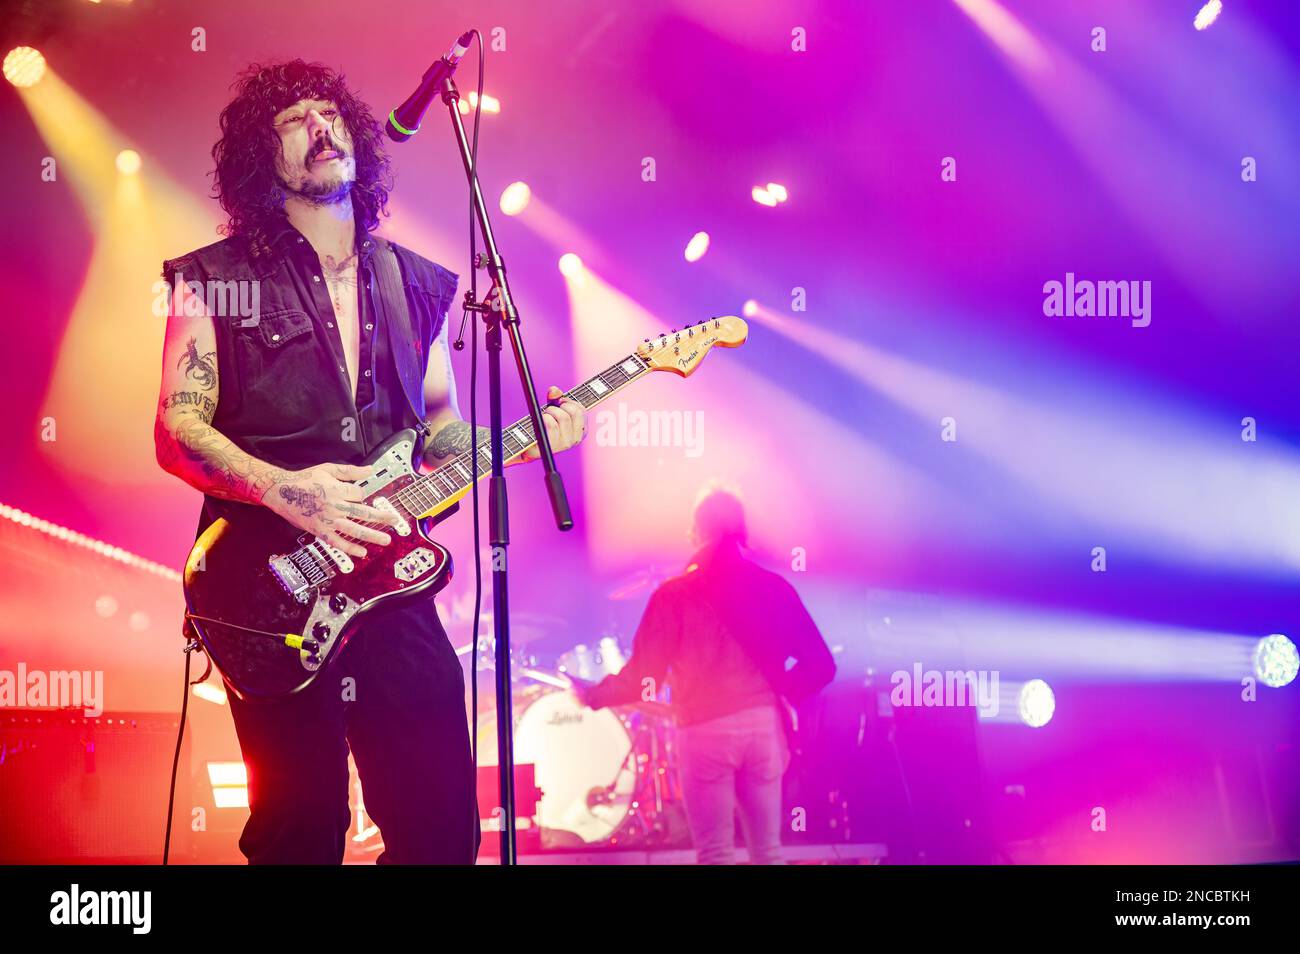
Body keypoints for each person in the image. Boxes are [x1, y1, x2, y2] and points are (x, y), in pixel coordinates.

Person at [154, 60, 586, 864]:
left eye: (330, 113)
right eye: (293, 120)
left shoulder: (412, 282)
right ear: (260, 155)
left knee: (440, 830)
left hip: (392, 590)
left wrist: (527, 438)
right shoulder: (213, 279)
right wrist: (290, 493)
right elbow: (177, 428)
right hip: (269, 591)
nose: (320, 127)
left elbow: (441, 425)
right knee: (299, 831)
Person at [574, 488, 835, 864]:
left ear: (696, 532)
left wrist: (593, 695)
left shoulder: (674, 596)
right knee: (769, 852)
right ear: (742, 531)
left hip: (704, 730)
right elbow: (822, 665)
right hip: (762, 728)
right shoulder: (774, 587)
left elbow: (641, 678)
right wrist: (779, 690)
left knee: (715, 854)